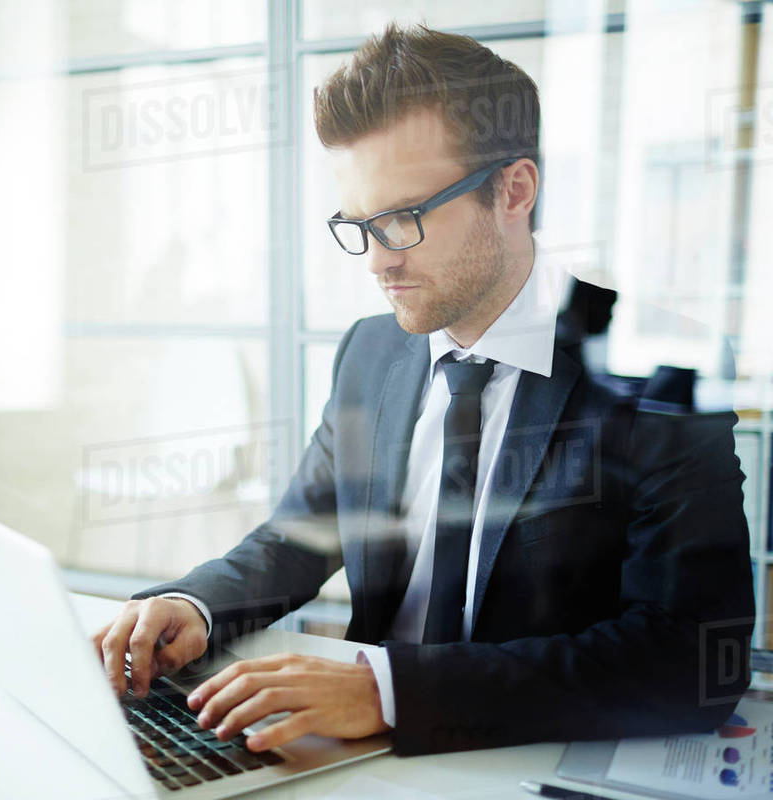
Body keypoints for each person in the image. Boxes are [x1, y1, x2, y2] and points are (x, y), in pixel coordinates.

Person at [91, 23, 754, 756]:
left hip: (521, 759)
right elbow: (297, 537)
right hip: (353, 761)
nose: (375, 262)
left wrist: (389, 691)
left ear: (514, 189)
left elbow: (688, 660)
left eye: (403, 219)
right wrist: (195, 604)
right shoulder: (371, 351)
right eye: (358, 225)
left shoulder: (657, 366)